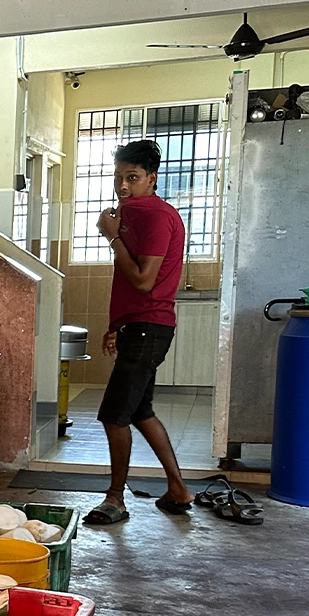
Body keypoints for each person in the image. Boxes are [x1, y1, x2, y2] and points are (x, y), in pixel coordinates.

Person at [82, 139, 195, 525]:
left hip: (150, 326)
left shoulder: (155, 215)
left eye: (132, 177)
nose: (123, 186)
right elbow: (129, 282)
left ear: (152, 178)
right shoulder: (133, 212)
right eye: (118, 177)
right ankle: (178, 489)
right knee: (141, 411)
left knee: (115, 415)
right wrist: (117, 325)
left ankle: (115, 499)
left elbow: (145, 281)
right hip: (140, 326)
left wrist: (112, 237)